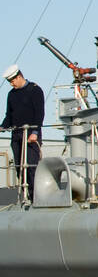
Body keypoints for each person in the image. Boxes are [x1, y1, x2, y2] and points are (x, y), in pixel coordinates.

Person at [2, 65, 44, 203]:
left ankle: (37, 199)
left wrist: (35, 132)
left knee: (32, 167)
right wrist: (2, 127)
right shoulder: (12, 94)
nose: (11, 84)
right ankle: (27, 197)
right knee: (20, 168)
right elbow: (9, 115)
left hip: (31, 135)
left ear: (19, 76)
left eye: (12, 81)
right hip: (17, 135)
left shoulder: (35, 90)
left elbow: (39, 114)